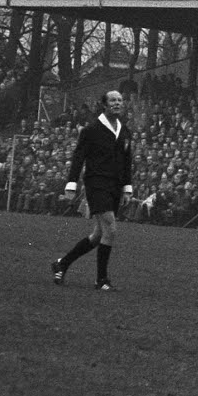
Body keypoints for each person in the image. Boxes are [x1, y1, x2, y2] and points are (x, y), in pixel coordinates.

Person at [52, 90, 134, 291]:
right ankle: (101, 280)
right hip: (96, 184)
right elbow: (79, 157)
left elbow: (126, 161)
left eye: (120, 100)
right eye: (113, 100)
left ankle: (62, 263)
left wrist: (127, 187)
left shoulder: (124, 131)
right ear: (104, 105)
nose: (117, 103)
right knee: (111, 229)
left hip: (115, 186)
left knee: (98, 235)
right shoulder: (91, 130)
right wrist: (71, 184)